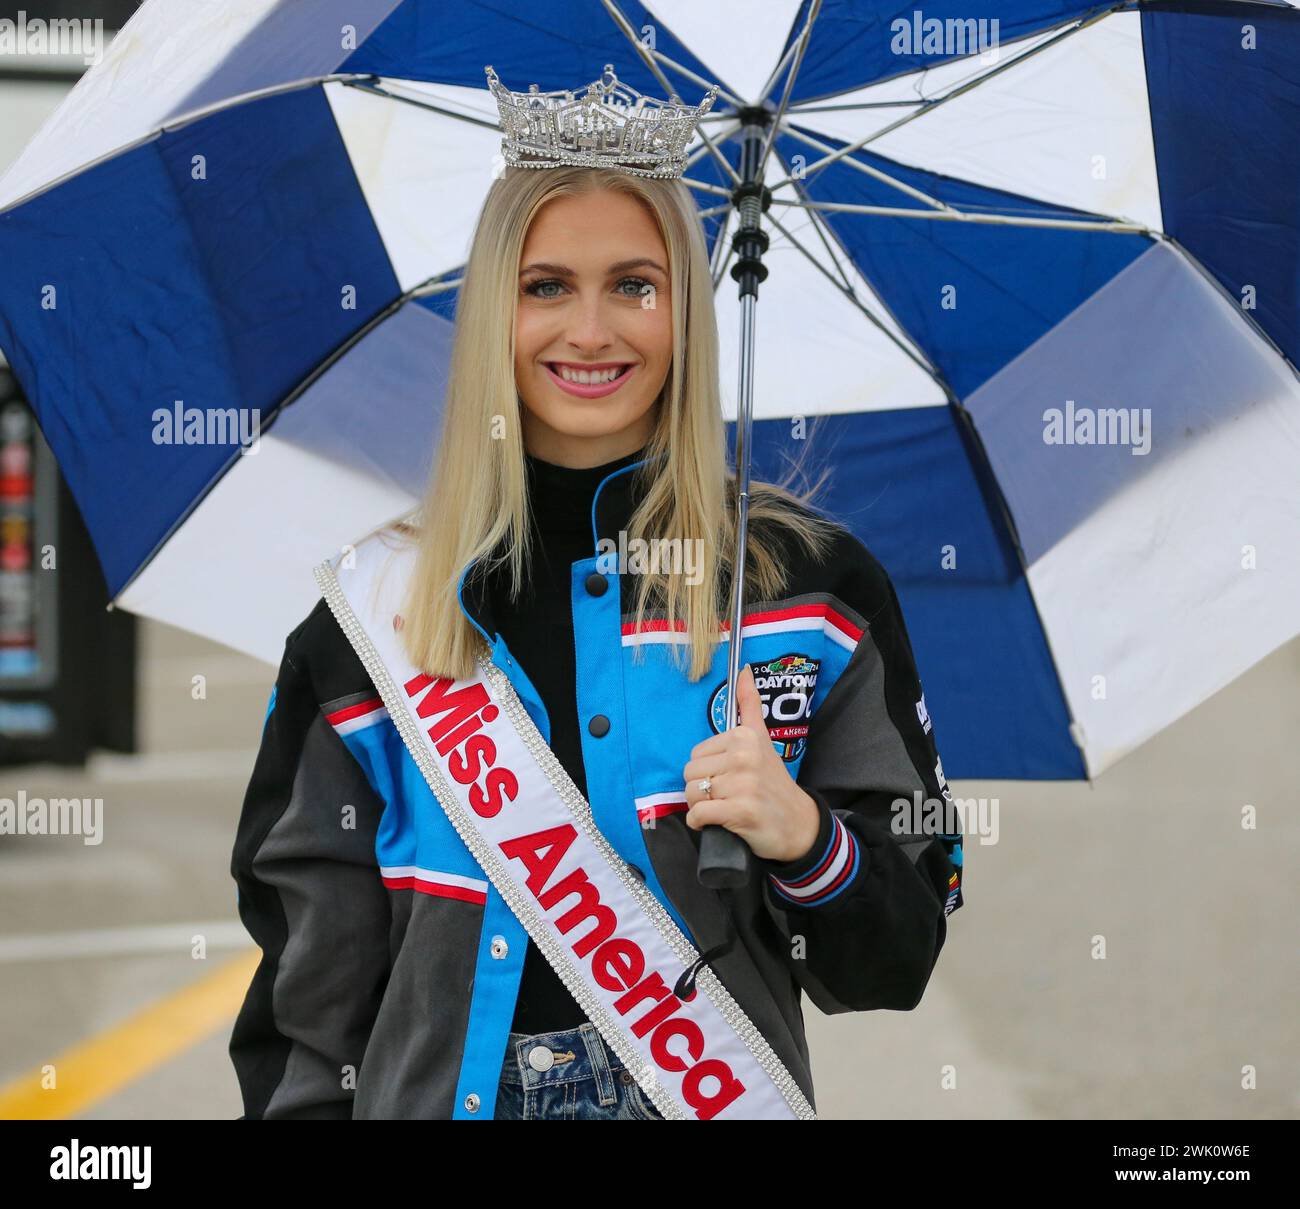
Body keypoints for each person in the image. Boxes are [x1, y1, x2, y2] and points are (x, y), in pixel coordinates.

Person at [228, 66, 963, 1122]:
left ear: (687, 310)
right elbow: (310, 992)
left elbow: (892, 967)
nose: (590, 331)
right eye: (544, 287)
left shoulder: (810, 592)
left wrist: (804, 837)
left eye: (634, 284)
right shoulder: (371, 623)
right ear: (493, 310)